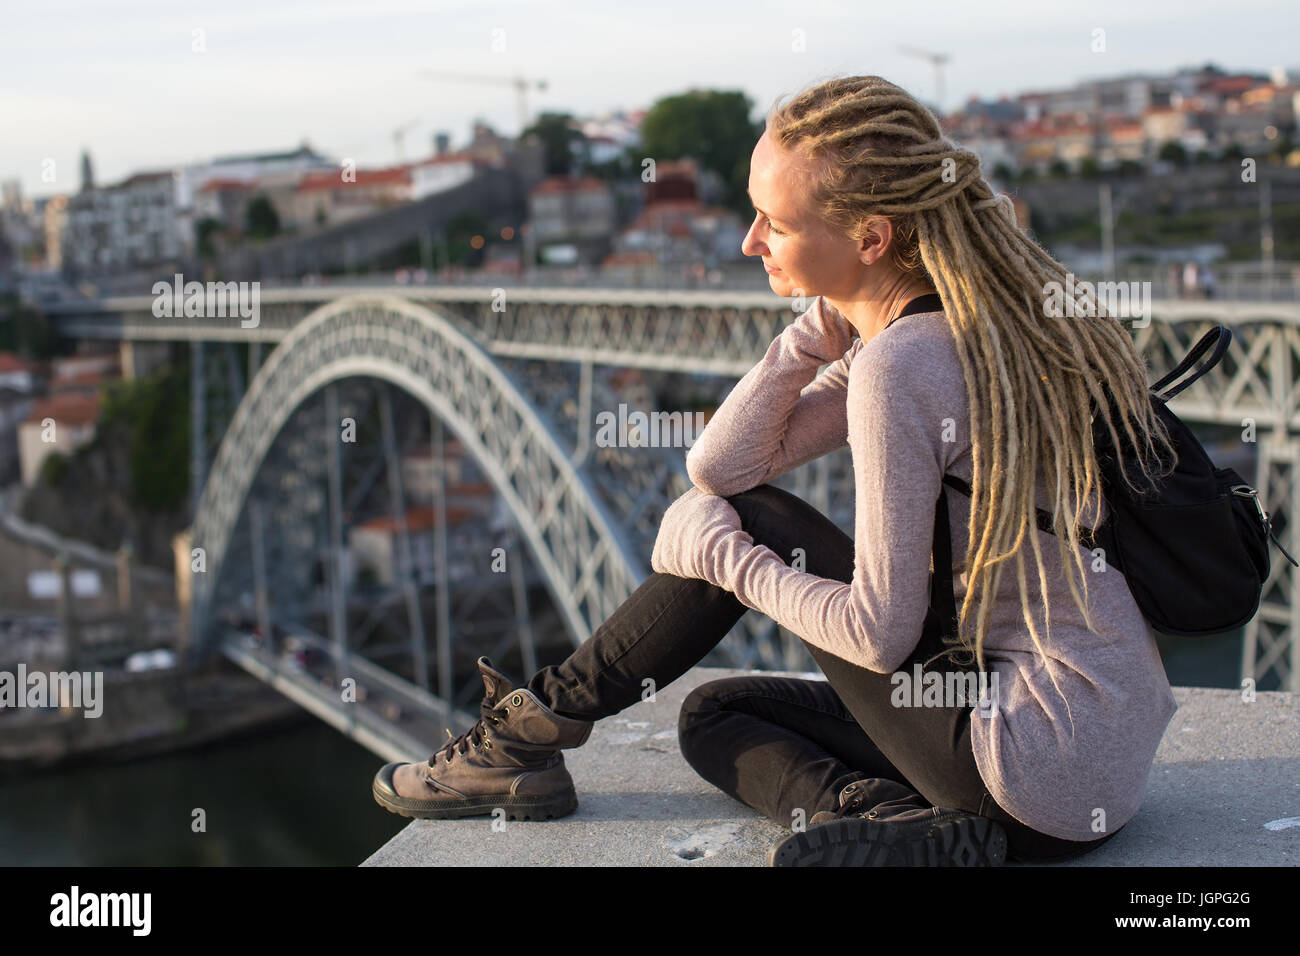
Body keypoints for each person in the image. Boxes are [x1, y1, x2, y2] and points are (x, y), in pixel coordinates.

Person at [371, 74, 1180, 867]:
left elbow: (878, 630)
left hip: (1026, 773)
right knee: (716, 715)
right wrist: (816, 322)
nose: (749, 242)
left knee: (748, 526)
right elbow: (721, 465)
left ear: (871, 239)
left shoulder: (902, 366)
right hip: (1094, 765)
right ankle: (897, 824)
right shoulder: (952, 325)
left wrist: (729, 559)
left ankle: (519, 739)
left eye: (774, 223)